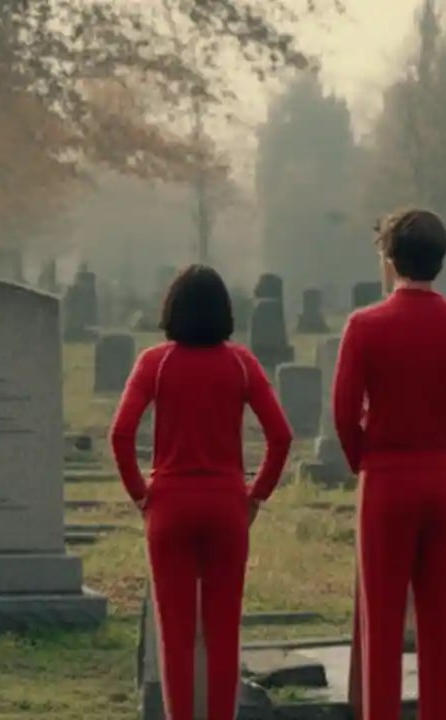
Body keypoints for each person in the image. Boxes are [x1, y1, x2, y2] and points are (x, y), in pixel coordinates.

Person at [109, 264, 293, 720]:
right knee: (222, 630)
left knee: (176, 633)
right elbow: (282, 436)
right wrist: (256, 496)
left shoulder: (156, 362)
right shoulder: (240, 363)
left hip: (168, 506)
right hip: (227, 506)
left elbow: (120, 434)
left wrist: (139, 494)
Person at [333, 209, 446, 720]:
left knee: (381, 620)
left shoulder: (365, 326)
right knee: (442, 620)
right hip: (442, 478)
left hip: (386, 477)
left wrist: (365, 460)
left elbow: (343, 408)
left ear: (389, 257)